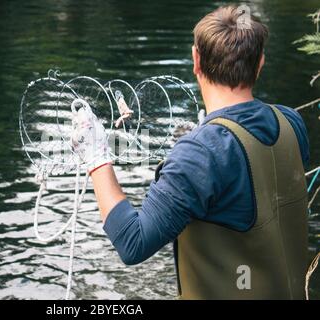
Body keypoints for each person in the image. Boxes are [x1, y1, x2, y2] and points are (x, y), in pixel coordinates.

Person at [71, 5, 310, 299]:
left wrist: (97, 160)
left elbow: (132, 243)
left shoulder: (202, 153)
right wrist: (208, 139)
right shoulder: (292, 123)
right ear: (260, 63)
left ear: (196, 60)